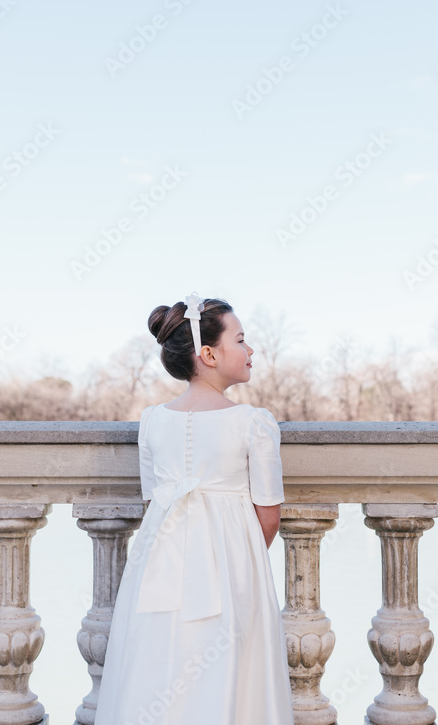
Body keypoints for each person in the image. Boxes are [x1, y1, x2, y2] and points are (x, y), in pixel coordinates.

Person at [94, 294, 295, 725]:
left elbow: (155, 505)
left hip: (159, 564)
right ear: (208, 353)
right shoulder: (253, 423)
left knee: (156, 662)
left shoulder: (152, 421)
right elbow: (268, 516)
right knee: (231, 664)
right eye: (240, 340)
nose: (250, 349)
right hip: (232, 567)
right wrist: (234, 563)